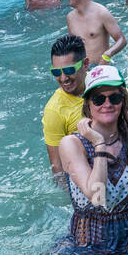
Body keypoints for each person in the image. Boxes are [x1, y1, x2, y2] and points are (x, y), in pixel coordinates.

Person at [53, 65, 128, 255]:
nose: (107, 104)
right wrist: (99, 144)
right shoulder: (72, 144)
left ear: (124, 102)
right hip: (87, 240)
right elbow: (97, 196)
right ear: (88, 105)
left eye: (115, 97)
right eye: (99, 99)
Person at [42, 34, 89, 179]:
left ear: (85, 64)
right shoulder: (54, 110)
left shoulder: (102, 84)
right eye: (56, 72)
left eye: (69, 70)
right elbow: (58, 170)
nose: (63, 78)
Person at [65, 0, 126, 64]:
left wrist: (108, 54)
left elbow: (122, 40)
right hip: (81, 69)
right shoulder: (70, 17)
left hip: (99, 68)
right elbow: (72, 48)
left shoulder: (102, 13)